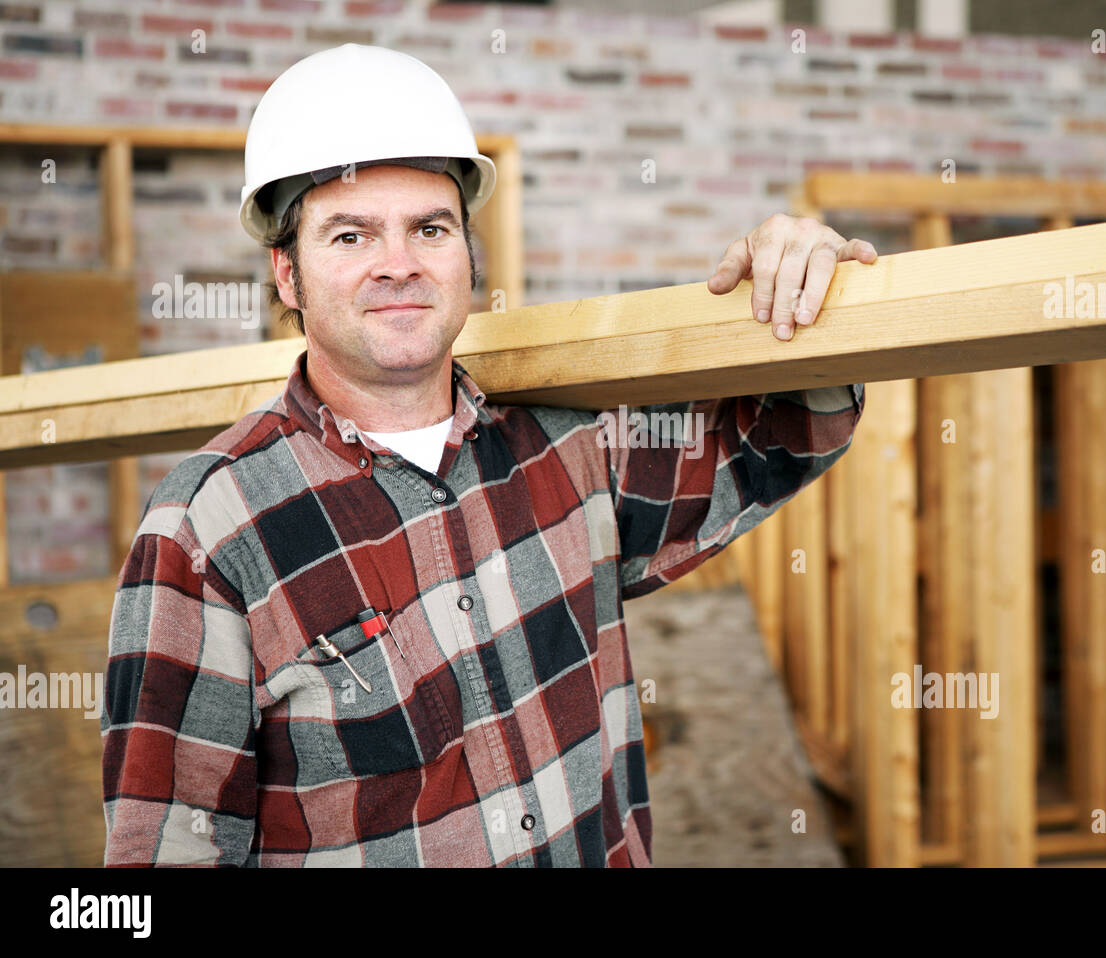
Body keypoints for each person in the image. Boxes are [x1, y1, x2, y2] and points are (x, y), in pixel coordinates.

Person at [101, 44, 876, 867]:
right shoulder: (209, 533)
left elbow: (786, 435)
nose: (397, 263)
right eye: (351, 234)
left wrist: (802, 283)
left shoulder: (571, 450)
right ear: (287, 274)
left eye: (429, 228)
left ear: (467, 254)